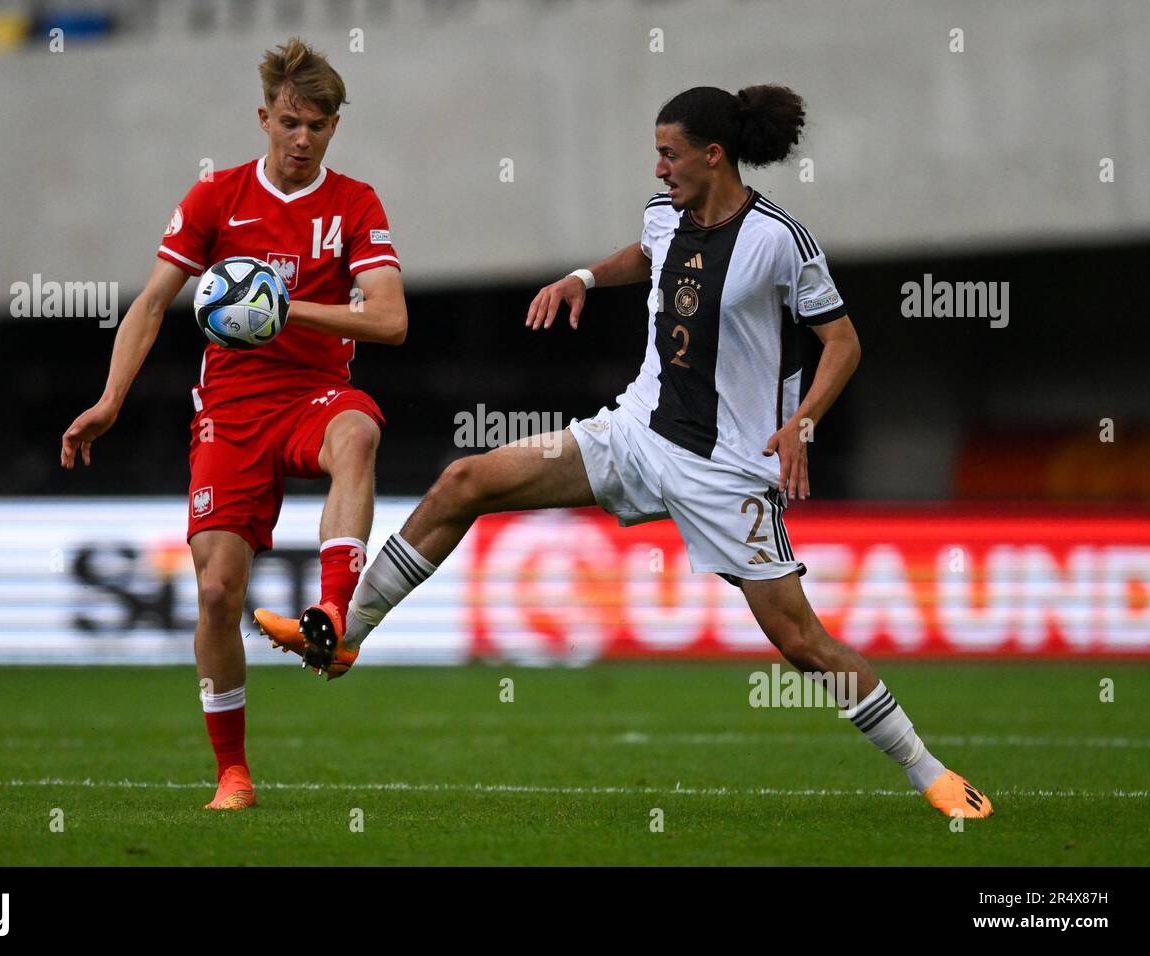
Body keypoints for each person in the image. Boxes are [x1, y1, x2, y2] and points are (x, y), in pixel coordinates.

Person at [260, 84, 993, 819]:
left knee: (802, 644)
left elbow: (843, 342)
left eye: (668, 155)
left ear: (713, 155)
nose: (659, 169)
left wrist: (802, 422)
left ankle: (929, 772)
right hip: (636, 434)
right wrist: (584, 277)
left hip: (726, 470)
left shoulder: (778, 239)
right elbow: (647, 256)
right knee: (464, 479)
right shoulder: (665, 214)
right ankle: (346, 635)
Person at [60, 37, 407, 811]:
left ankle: (333, 612)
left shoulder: (355, 203)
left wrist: (286, 308)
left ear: (334, 129)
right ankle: (233, 773)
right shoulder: (215, 198)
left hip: (316, 391)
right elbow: (151, 303)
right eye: (289, 122)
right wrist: (111, 399)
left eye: (318, 125)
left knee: (360, 432)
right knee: (217, 594)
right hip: (232, 409)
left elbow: (389, 319)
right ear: (263, 118)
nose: (302, 138)